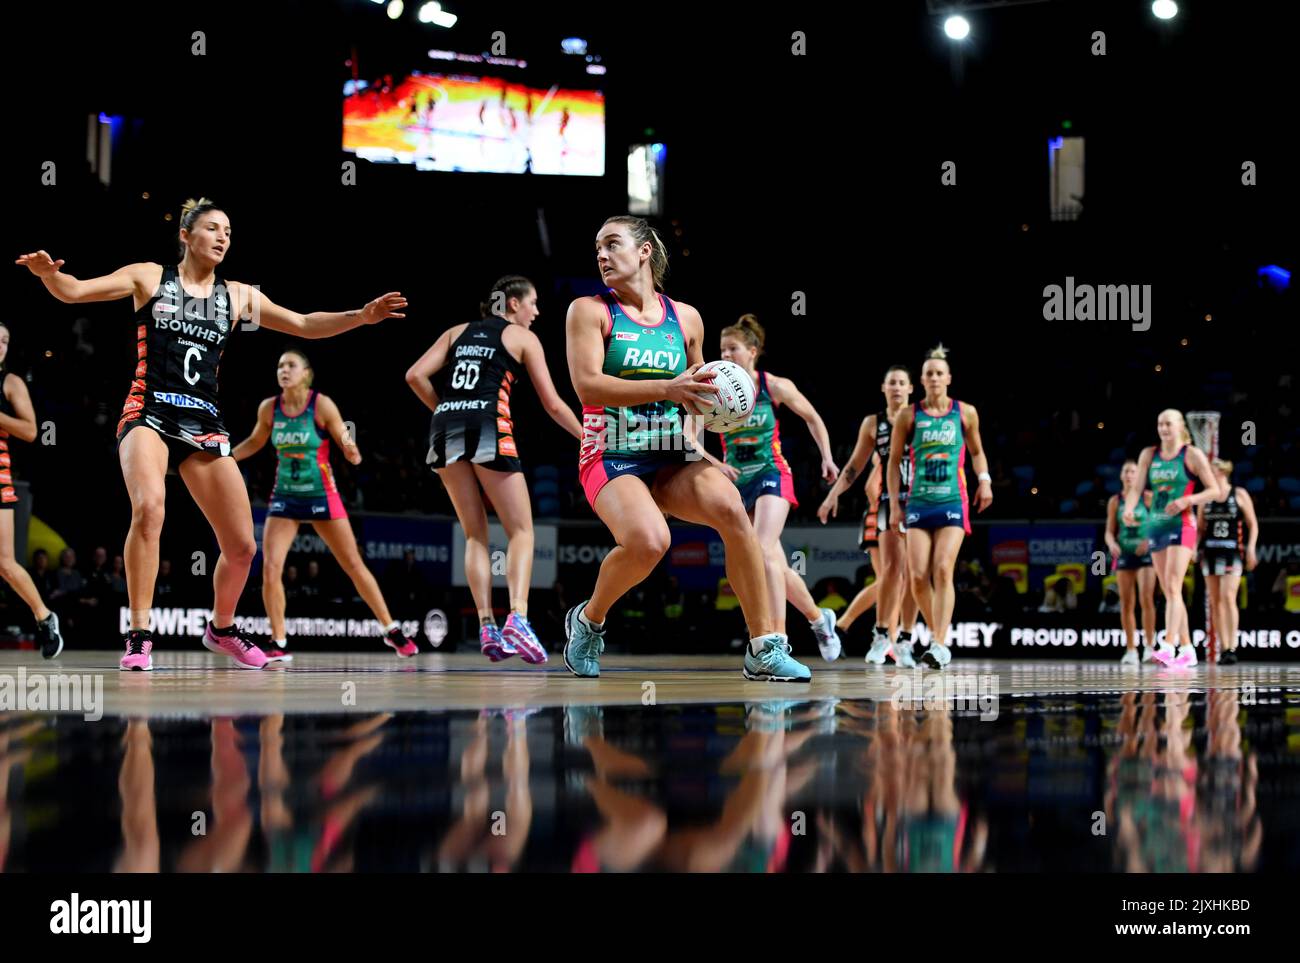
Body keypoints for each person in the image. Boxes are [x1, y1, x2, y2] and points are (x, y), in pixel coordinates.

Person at [17, 196, 408, 670]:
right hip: (149, 411)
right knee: (149, 508)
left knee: (242, 546)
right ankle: (139, 635)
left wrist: (360, 316)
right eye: (213, 229)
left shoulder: (239, 295)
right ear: (185, 235)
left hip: (203, 422)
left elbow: (303, 323)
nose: (223, 237)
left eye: (228, 231)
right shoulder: (148, 276)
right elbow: (75, 291)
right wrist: (48, 276)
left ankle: (221, 629)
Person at [562, 214, 810, 681]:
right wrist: (667, 388)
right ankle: (589, 620)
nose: (601, 254)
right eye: (597, 247)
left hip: (672, 453)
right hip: (610, 452)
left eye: (611, 244)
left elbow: (699, 391)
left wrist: (709, 427)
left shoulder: (686, 317)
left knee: (734, 512)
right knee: (651, 541)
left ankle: (764, 645)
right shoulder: (589, 310)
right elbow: (587, 386)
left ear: (644, 252)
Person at [407, 275, 582, 663]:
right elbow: (552, 404)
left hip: (444, 427)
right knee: (521, 529)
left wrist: (444, 409)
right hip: (487, 426)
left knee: (474, 534)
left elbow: (414, 375)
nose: (536, 312)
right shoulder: (522, 338)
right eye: (533, 303)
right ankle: (517, 618)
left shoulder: (456, 331)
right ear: (514, 303)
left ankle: (487, 625)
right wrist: (585, 435)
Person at [232, 348, 418, 662]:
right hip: (285, 497)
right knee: (270, 567)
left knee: (353, 565)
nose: (284, 370)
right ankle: (278, 641)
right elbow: (255, 441)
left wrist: (351, 450)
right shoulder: (269, 408)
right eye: (280, 365)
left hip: (321, 495)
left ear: (306, 373)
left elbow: (342, 435)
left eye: (291, 365)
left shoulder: (320, 404)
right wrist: (227, 457)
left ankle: (391, 629)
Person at [716, 314, 841, 661]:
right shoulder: (716, 391)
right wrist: (714, 463)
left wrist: (827, 458)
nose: (725, 355)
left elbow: (813, 418)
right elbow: (692, 434)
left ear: (752, 351)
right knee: (776, 564)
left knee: (762, 547)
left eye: (733, 349)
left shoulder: (774, 387)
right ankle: (819, 619)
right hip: (739, 481)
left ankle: (778, 639)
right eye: (722, 349)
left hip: (772, 473)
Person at [887, 344, 993, 669]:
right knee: (917, 577)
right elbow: (893, 463)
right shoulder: (909, 415)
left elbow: (976, 452)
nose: (934, 378)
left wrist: (985, 480)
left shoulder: (966, 412)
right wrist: (894, 505)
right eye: (928, 373)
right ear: (922, 380)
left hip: (952, 500)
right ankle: (937, 636)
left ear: (948, 377)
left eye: (939, 373)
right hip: (918, 502)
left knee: (943, 569)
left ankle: (940, 642)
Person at [1123, 409, 1225, 667]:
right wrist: (1130, 508)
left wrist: (1186, 500)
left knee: (1172, 584)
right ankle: (1188, 648)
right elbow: (1136, 488)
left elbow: (1214, 490)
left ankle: (1168, 643)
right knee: (1169, 590)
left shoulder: (1191, 455)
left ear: (1180, 426)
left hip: (1183, 525)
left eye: (1168, 423)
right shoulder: (1149, 454)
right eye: (1159, 423)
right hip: (1156, 525)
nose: (1163, 428)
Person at [0, 322, 63, 656]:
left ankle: (44, 616)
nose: (0, 345)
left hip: (0, 479)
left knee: (6, 563)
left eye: (5, 340)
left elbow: (30, 430)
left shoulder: (9, 382)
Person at [1197, 459, 1258, 665]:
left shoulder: (1239, 494)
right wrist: (1193, 550)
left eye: (1211, 470)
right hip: (1210, 552)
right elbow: (1199, 528)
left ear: (1222, 471)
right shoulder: (1205, 498)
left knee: (1228, 597)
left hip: (1232, 550)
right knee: (1215, 601)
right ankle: (1223, 647)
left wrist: (1250, 548)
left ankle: (1232, 645)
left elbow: (1253, 524)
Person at [1105, 459, 1158, 665]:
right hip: (1125, 553)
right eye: (1126, 471)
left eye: (1133, 472)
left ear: (1139, 476)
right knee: (1126, 603)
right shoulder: (1115, 501)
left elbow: (1158, 525)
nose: (1129, 475)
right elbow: (1109, 531)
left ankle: (1149, 647)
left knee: (1147, 599)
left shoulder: (1147, 498)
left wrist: (1148, 540)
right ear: (1121, 476)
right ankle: (1130, 649)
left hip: (1145, 555)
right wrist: (1111, 544)